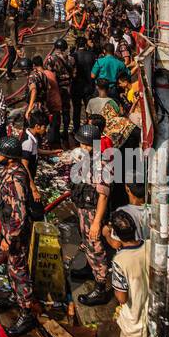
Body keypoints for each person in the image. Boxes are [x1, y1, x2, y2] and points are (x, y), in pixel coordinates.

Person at [0, 134, 38, 336]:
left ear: (9, 157)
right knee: (11, 268)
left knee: (19, 271)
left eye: (0, 153)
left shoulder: (17, 178)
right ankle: (15, 296)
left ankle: (26, 312)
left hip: (15, 235)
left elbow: (20, 214)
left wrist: (8, 239)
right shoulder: (9, 170)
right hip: (8, 228)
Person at [67, 123, 112, 306]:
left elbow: (103, 196)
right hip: (83, 209)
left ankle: (100, 287)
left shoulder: (102, 165)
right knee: (86, 243)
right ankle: (88, 268)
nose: (83, 148)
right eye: (82, 144)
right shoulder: (85, 160)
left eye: (86, 145)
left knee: (96, 247)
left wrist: (97, 223)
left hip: (94, 212)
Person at [105, 210, 149, 337]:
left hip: (134, 327)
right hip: (152, 320)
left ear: (116, 235)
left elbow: (122, 298)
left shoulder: (120, 261)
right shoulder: (150, 245)